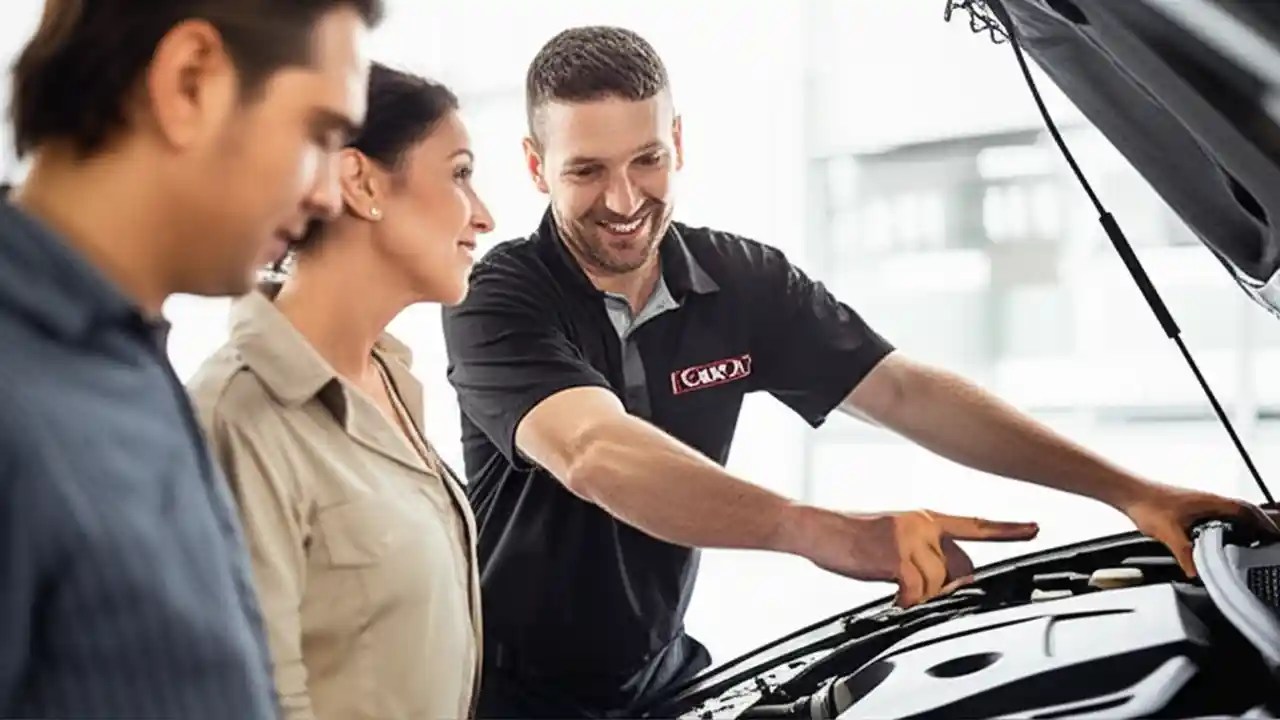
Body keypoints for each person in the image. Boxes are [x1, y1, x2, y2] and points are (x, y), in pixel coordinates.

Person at [440, 24, 1280, 719]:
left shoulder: (741, 280)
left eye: (647, 160)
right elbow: (594, 452)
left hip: (663, 676)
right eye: (587, 170)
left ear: (680, 144)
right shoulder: (497, 295)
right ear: (536, 166)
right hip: (505, 693)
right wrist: (825, 531)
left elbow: (902, 391)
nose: (625, 200)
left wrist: (1130, 492)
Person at [0, 1, 382, 718]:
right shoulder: (21, 393)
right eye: (317, 133)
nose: (330, 195)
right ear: (190, 82)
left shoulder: (123, 363)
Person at [187, 63, 495, 720]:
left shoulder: (390, 376)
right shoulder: (238, 415)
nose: (484, 217)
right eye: (460, 174)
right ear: (360, 182)